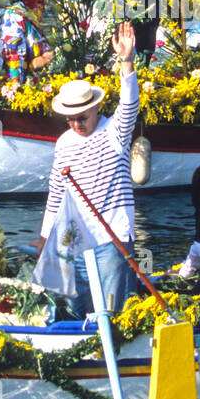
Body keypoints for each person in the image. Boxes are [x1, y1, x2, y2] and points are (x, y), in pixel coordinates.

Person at [35, 21, 140, 317]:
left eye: (81, 116)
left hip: (111, 238)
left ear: (94, 108)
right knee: (74, 309)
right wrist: (45, 238)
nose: (76, 124)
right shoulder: (64, 143)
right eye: (70, 119)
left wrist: (127, 62)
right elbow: (57, 194)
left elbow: (129, 104)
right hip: (75, 241)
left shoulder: (115, 133)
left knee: (112, 312)